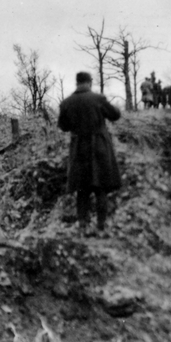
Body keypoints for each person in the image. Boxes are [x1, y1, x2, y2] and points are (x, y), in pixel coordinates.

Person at [58, 71, 122, 236]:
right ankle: (101, 227)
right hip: (98, 147)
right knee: (100, 187)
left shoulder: (66, 103)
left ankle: (82, 226)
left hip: (79, 149)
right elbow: (115, 115)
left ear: (77, 82)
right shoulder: (98, 99)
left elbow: (63, 126)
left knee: (82, 189)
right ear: (89, 82)